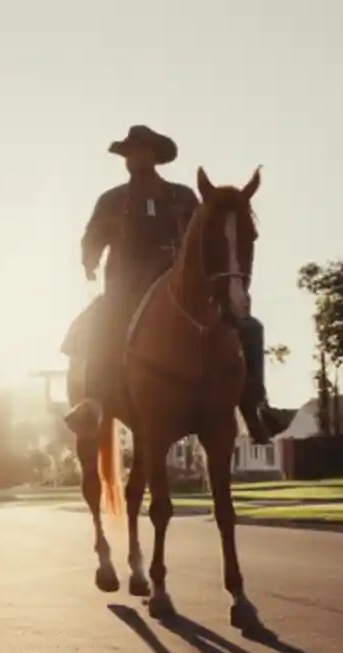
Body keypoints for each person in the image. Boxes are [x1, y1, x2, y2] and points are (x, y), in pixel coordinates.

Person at [63, 125, 285, 444]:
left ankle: (256, 406)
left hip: (177, 287)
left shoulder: (182, 197)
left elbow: (204, 236)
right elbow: (92, 236)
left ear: (155, 157)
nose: (134, 159)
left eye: (141, 152)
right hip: (126, 288)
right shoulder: (111, 200)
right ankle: (93, 403)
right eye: (130, 154)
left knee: (250, 327)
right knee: (101, 320)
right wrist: (89, 260)